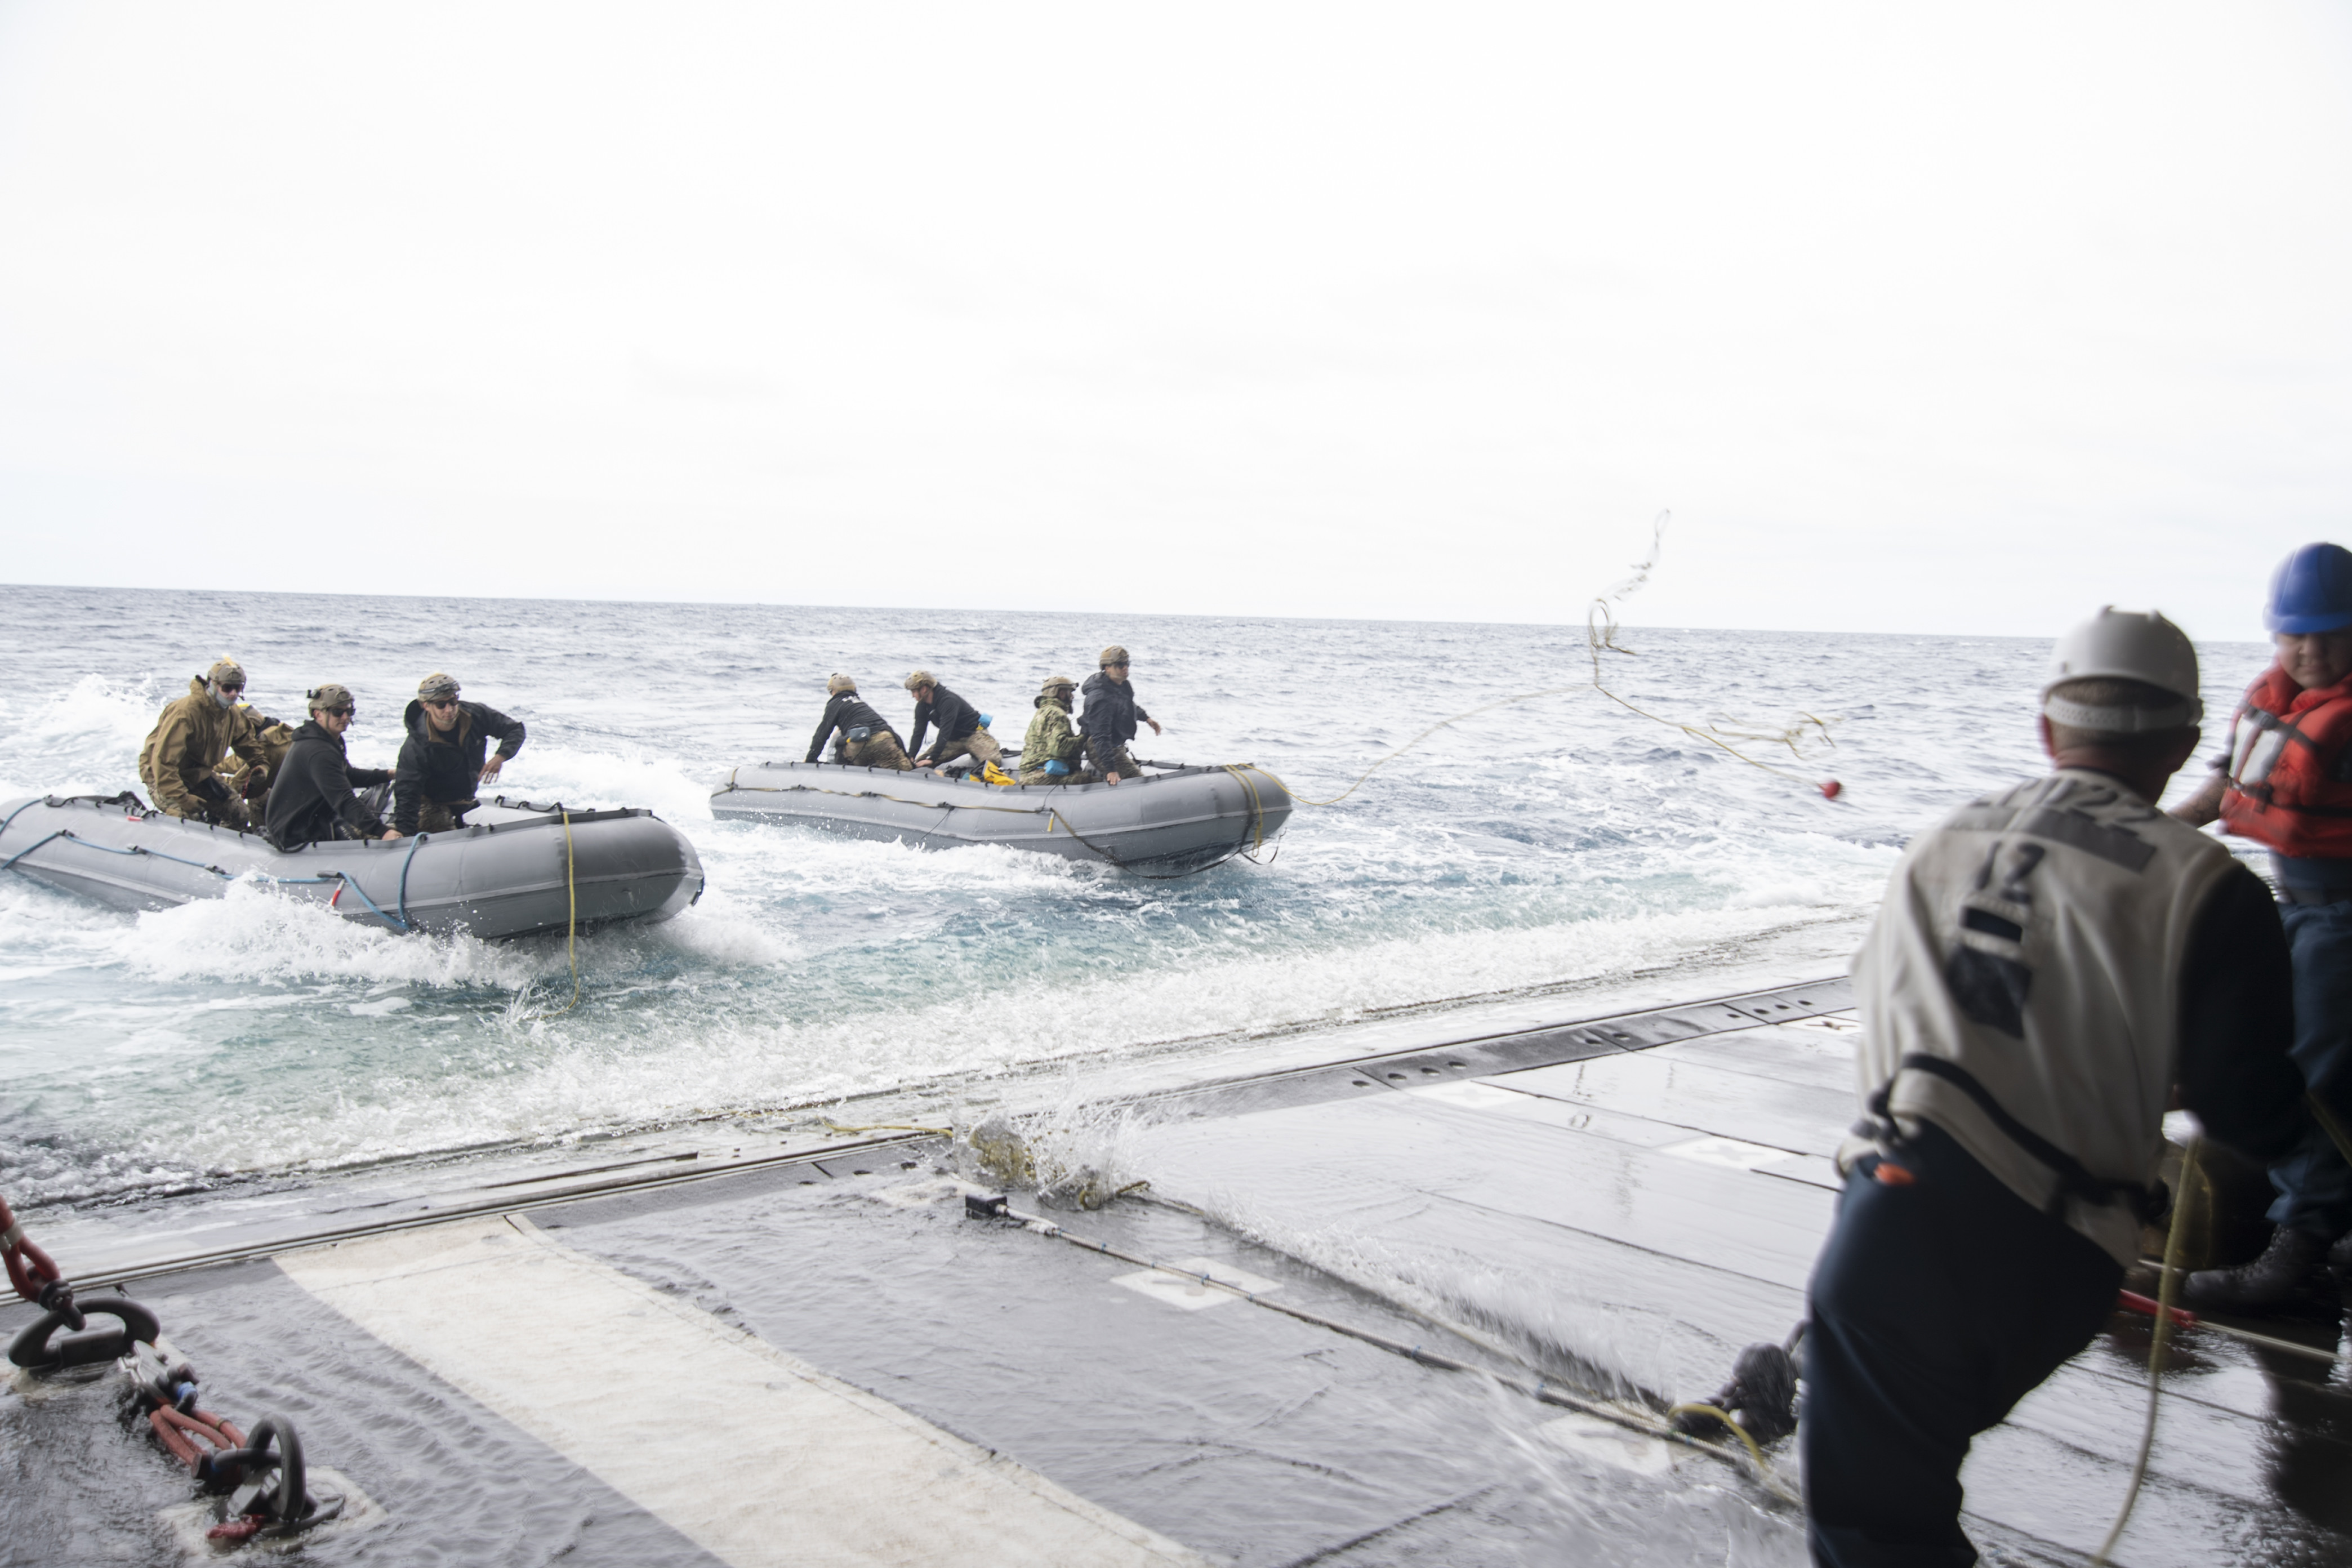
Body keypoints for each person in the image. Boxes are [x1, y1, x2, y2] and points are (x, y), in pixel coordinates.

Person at [1803, 607, 2308, 1568]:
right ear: (2185, 743)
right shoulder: (2211, 886)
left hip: (1899, 1223)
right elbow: (2250, 1114)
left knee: (1876, 1527)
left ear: (2047, 728)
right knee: (1910, 1487)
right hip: (2066, 1261)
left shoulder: (1939, 840)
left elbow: (1889, 1004)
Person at [2168, 542, 2352, 1313]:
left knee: (2313, 1076)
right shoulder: (2278, 702)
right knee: (2247, 1040)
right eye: (2295, 635)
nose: (2311, 651)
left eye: (2332, 634)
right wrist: (2145, 833)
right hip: (2293, 907)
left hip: (2342, 919)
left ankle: (2300, 1254)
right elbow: (2226, 785)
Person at [137, 657, 282, 827]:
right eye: (227, 688)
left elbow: (248, 746)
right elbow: (163, 762)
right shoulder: (185, 713)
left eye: (238, 688)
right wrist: (183, 798)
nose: (233, 694)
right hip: (161, 776)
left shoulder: (232, 714)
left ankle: (221, 840)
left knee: (240, 814)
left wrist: (260, 765)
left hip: (199, 775)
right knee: (186, 818)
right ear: (212, 685)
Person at [265, 685, 400, 848]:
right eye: (338, 712)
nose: (345, 717)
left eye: (349, 711)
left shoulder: (328, 740)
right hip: (298, 833)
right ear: (318, 714)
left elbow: (348, 775)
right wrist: (382, 831)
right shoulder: (319, 751)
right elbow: (342, 799)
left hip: (317, 819)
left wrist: (389, 774)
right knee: (371, 840)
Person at [393, 672, 526, 835]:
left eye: (453, 702)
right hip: (432, 804)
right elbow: (407, 795)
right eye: (441, 705)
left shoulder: (475, 715)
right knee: (438, 823)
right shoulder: (416, 748)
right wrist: (405, 836)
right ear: (426, 706)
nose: (449, 710)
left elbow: (515, 729)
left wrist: (500, 757)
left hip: (466, 800)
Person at [1077, 645, 1161, 787]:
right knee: (1137, 781)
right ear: (1107, 668)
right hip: (1099, 745)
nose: (1125, 668)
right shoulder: (1101, 698)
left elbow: (1127, 705)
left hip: (1114, 743)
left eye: (1127, 664)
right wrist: (1111, 769)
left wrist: (1146, 718)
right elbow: (1100, 735)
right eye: (1120, 665)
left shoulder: (1120, 687)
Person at [903, 670, 1006, 777]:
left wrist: (933, 758)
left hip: (973, 735)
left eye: (914, 692)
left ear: (924, 689)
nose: (913, 696)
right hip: (953, 740)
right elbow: (918, 732)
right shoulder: (922, 706)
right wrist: (912, 755)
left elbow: (945, 731)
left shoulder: (949, 701)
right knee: (919, 764)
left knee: (992, 760)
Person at [807, 674, 914, 770]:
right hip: (885, 740)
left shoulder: (835, 703)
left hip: (860, 745)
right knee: (904, 771)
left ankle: (844, 775)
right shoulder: (860, 703)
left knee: (841, 743)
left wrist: (810, 760)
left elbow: (822, 735)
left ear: (833, 691)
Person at [1018, 675, 1086, 783]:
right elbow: (1060, 749)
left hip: (1030, 773)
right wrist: (1084, 737)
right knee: (1088, 779)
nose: (1072, 696)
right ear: (1062, 694)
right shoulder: (1057, 714)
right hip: (1043, 776)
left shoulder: (1043, 711)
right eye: (1070, 692)